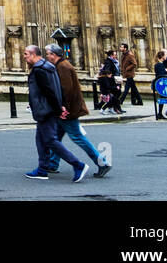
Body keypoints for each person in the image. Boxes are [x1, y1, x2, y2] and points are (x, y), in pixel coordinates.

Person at [23, 45, 90, 182]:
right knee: (41, 141)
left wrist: (59, 109)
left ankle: (78, 165)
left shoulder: (39, 70)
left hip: (45, 110)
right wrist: (62, 105)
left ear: (34, 54)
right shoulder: (49, 66)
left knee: (51, 141)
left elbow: (49, 91)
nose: (24, 57)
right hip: (47, 110)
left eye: (26, 54)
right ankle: (42, 169)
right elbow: (58, 87)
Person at [44, 46, 110, 178]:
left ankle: (102, 163)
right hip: (65, 109)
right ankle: (52, 164)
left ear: (54, 54)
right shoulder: (61, 65)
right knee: (55, 138)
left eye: (48, 54)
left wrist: (64, 108)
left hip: (68, 110)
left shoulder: (63, 67)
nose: (46, 56)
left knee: (78, 137)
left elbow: (66, 90)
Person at [99, 50, 124, 114]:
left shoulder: (115, 62)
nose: (115, 56)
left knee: (115, 95)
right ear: (111, 55)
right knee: (114, 96)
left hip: (115, 80)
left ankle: (114, 108)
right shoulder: (108, 62)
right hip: (112, 81)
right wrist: (111, 77)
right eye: (114, 55)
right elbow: (107, 72)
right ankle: (115, 108)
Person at [154, 51, 167, 119]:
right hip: (163, 85)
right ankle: (165, 112)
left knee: (163, 98)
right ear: (162, 57)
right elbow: (161, 75)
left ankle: (161, 113)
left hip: (161, 84)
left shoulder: (159, 64)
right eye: (165, 55)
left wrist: (166, 70)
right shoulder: (160, 65)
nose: (166, 56)